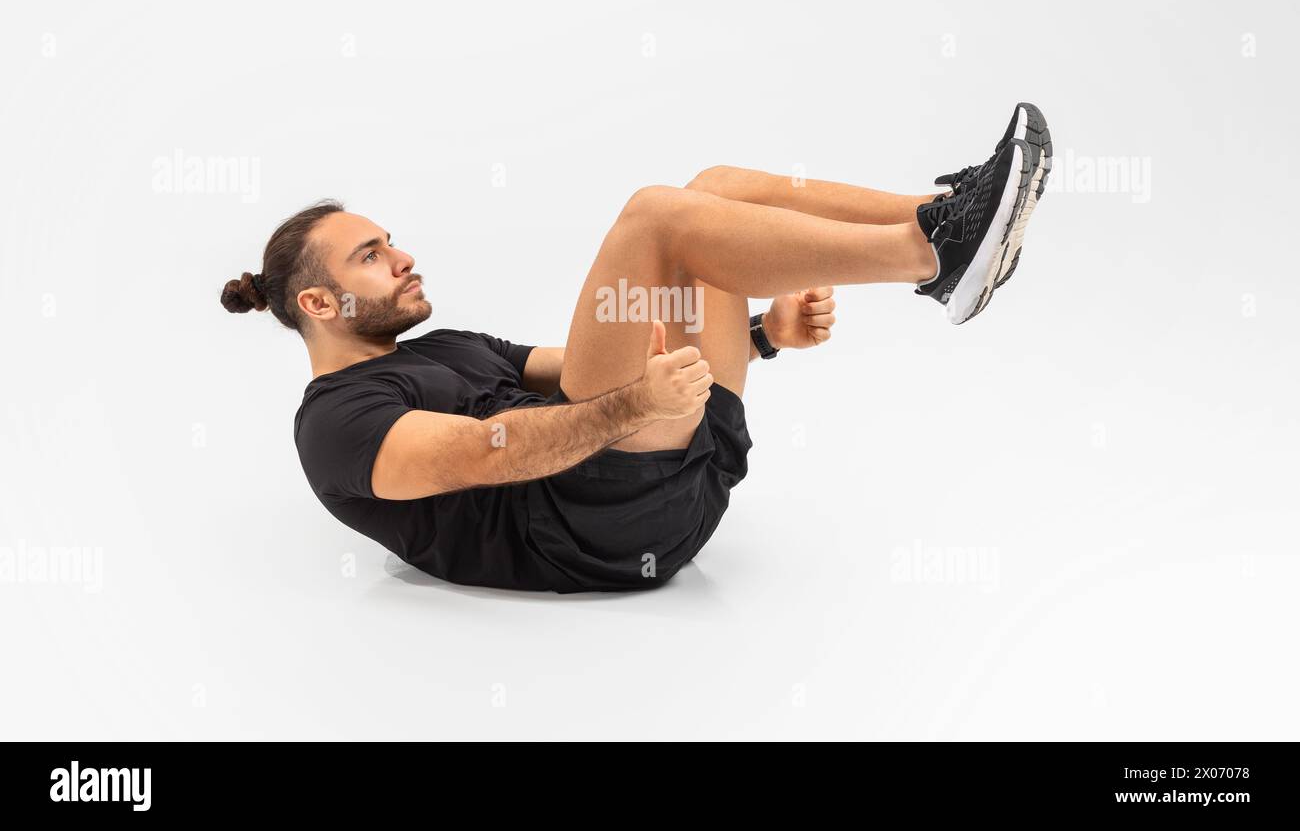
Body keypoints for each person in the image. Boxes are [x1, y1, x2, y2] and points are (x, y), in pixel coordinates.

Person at [220, 103, 1051, 593]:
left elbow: (572, 365)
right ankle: (932, 250)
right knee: (654, 216)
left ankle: (952, 217)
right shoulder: (334, 423)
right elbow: (482, 451)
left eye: (390, 240)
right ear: (319, 303)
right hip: (590, 523)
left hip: (668, 470)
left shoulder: (447, 345)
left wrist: (761, 336)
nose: (402, 256)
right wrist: (635, 407)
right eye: (371, 256)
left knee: (712, 189)